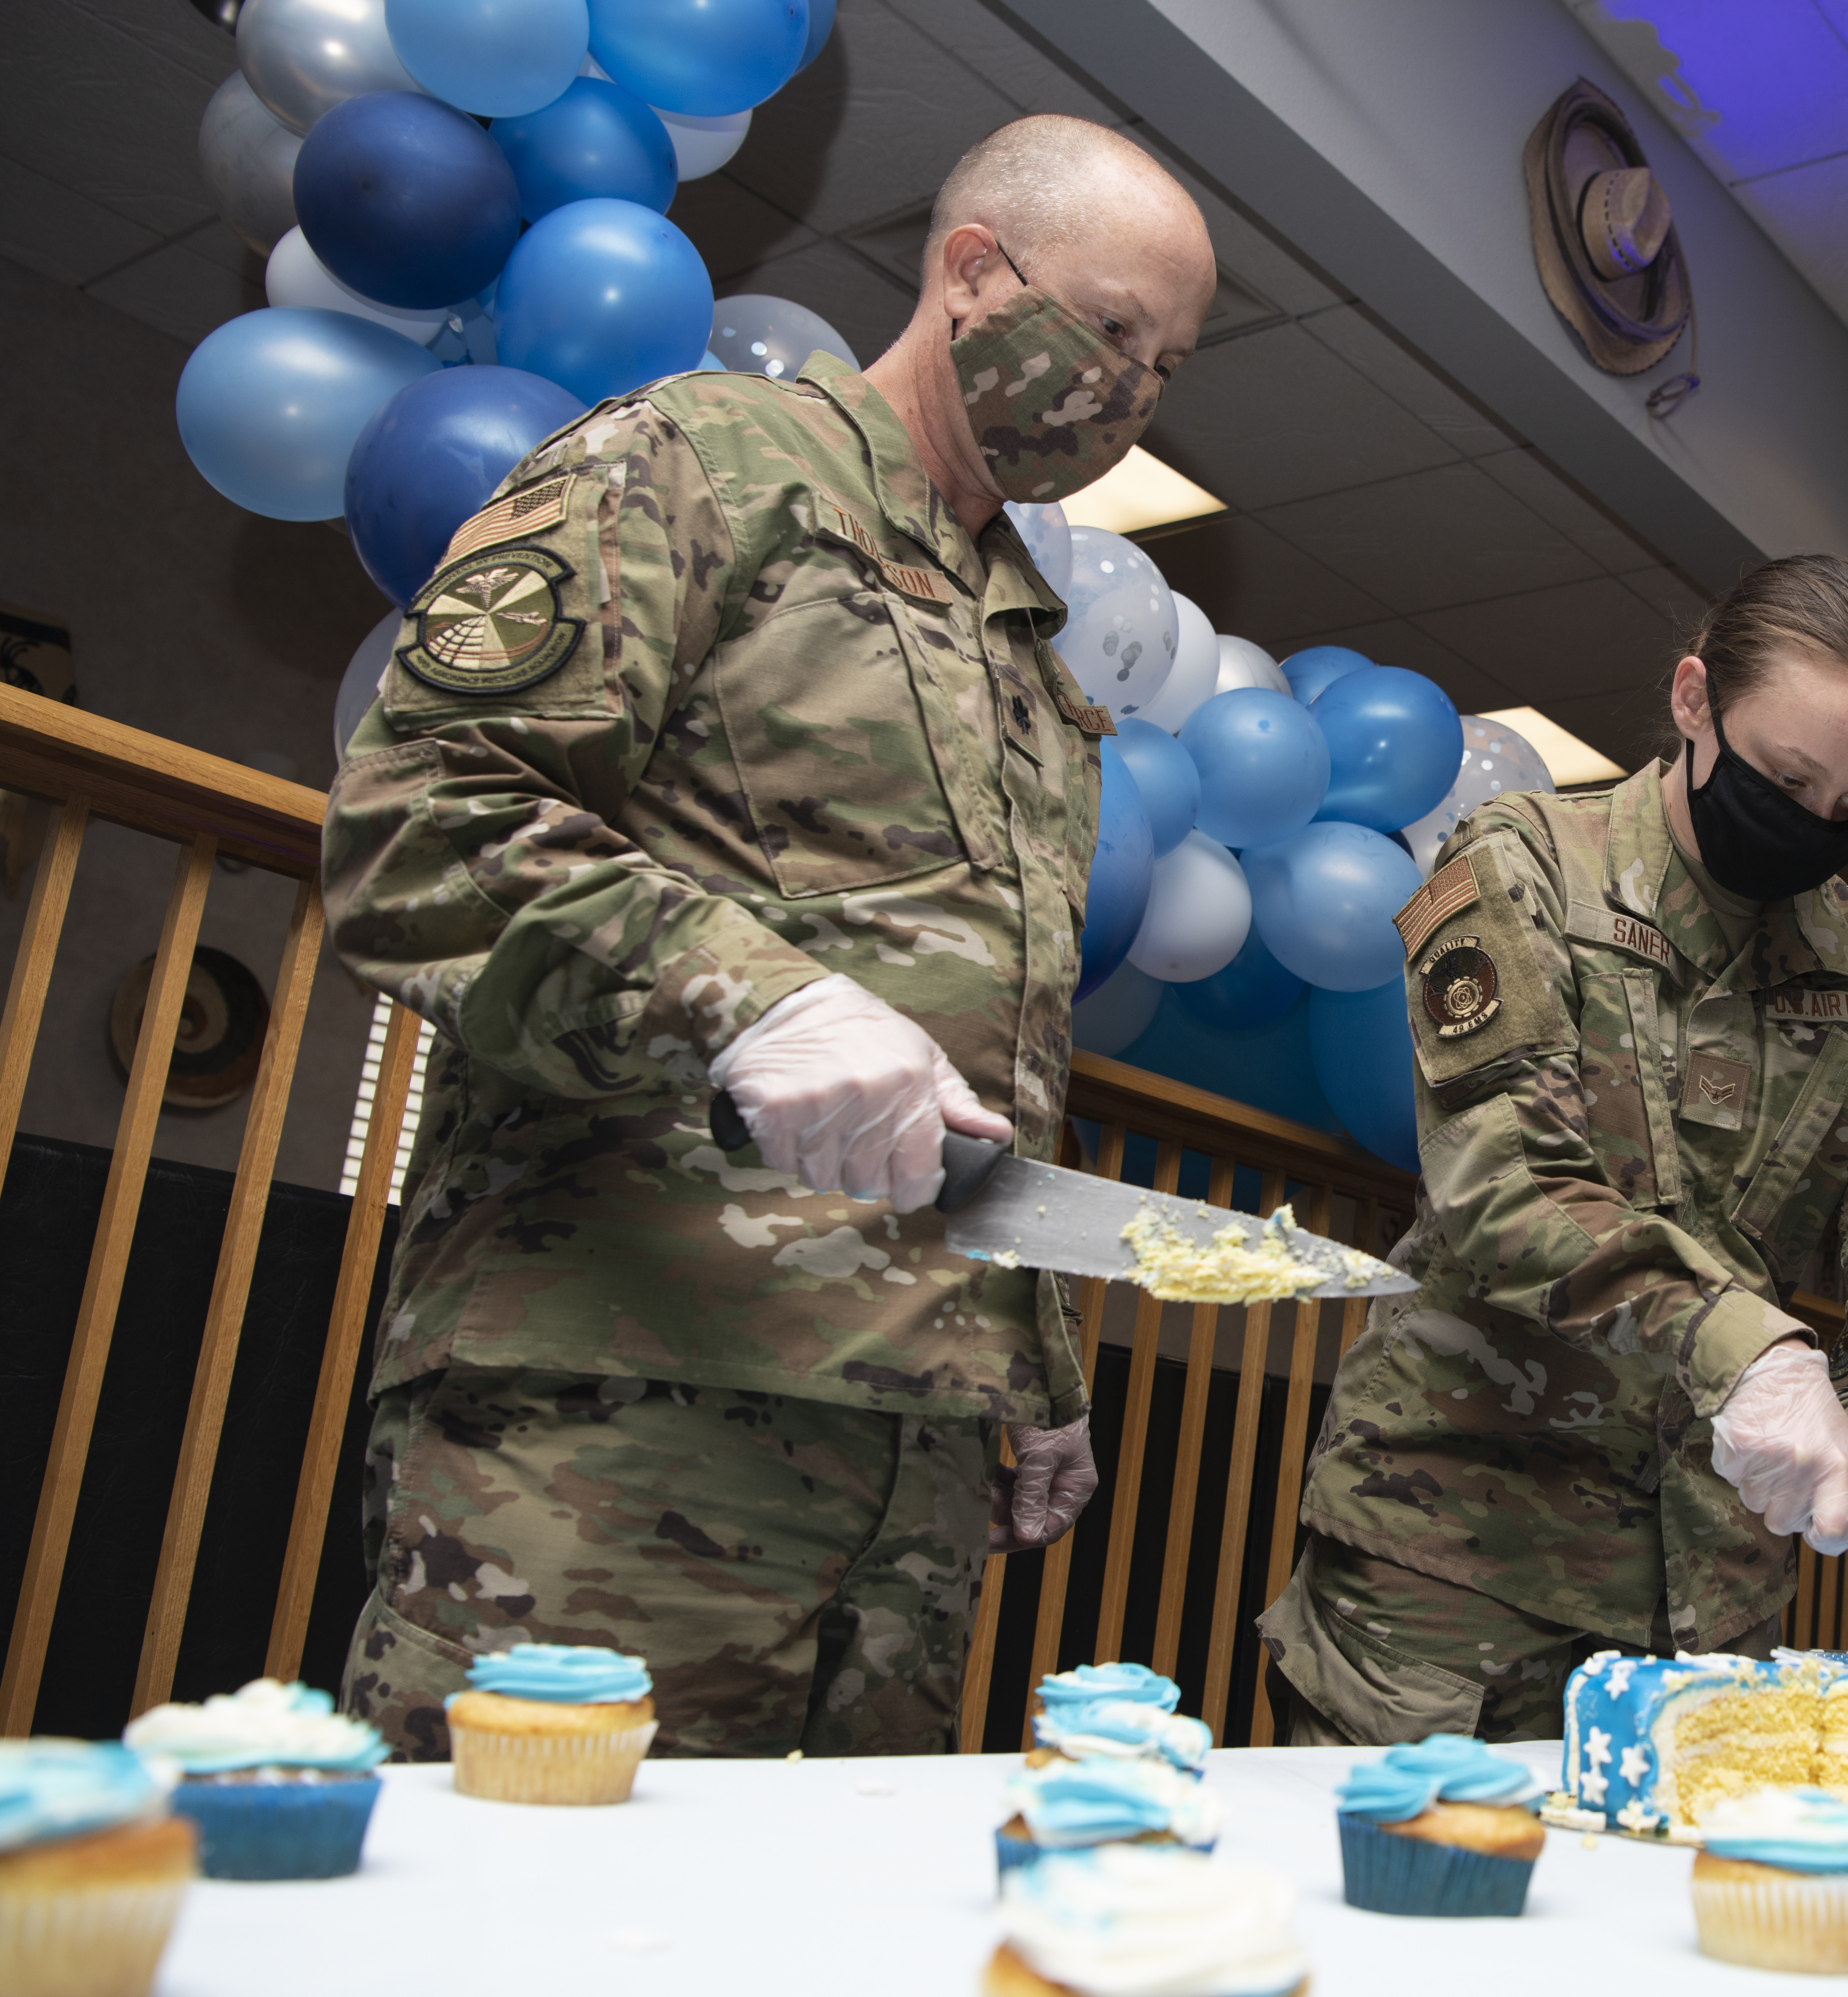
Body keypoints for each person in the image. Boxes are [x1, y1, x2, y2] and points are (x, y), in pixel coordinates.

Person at [323, 115, 1217, 1760]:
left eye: (1161, 366)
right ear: (970, 274)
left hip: (910, 1476)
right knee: (523, 1952)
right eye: (1108, 332)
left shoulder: (1035, 655)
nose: (1127, 392)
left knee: (823, 1985)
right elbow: (417, 818)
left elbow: (985, 1053)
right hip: (616, 1420)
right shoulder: (692, 464)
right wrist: (748, 999)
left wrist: (1029, 1359)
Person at [1254, 554, 1848, 1742]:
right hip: (1455, 1569)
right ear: (1696, 699)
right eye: (1787, 778)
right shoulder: (1525, 863)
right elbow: (1504, 1182)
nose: (1814, 826)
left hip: (1709, 1610)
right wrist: (1747, 1350)